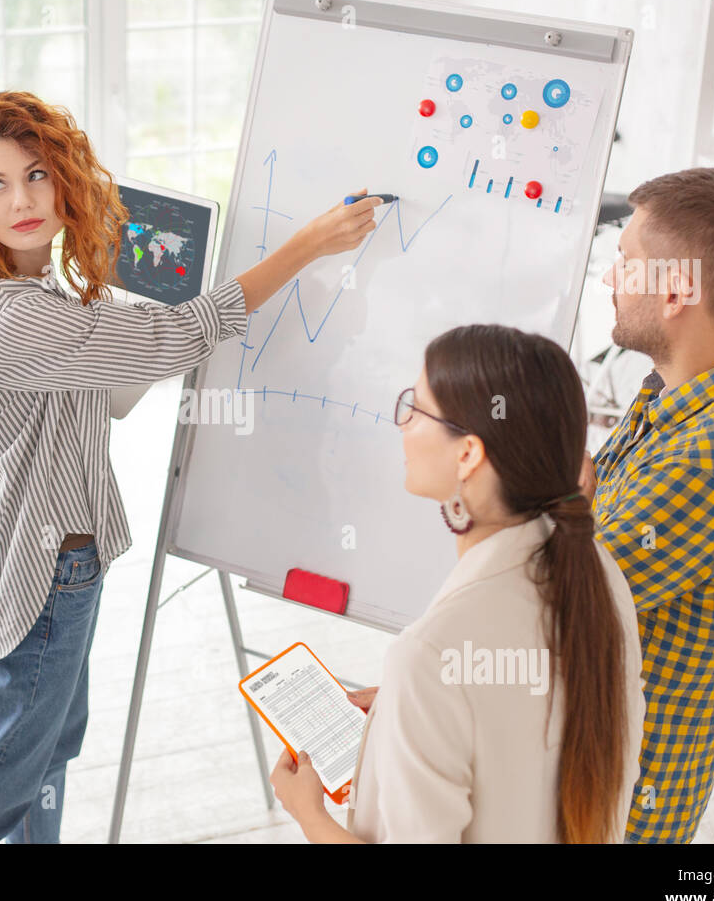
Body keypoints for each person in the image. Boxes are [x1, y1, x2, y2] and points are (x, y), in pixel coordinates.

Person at [0, 90, 380, 843]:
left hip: (47, 565)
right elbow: (182, 338)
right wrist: (307, 245)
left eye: (36, 175)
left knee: (42, 757)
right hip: (40, 574)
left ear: (65, 181)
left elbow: (112, 389)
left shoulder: (29, 293)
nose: (21, 199)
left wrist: (120, 309)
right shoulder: (15, 313)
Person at [270, 324, 646, 842]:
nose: (401, 421)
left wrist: (309, 814)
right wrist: (410, 708)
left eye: (416, 407)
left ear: (468, 454)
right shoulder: (602, 575)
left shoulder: (430, 655)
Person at [579, 167, 714, 843]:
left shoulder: (705, 462)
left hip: (609, 802)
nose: (611, 278)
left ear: (677, 289)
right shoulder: (696, 392)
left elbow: (552, 606)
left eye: (626, 259)